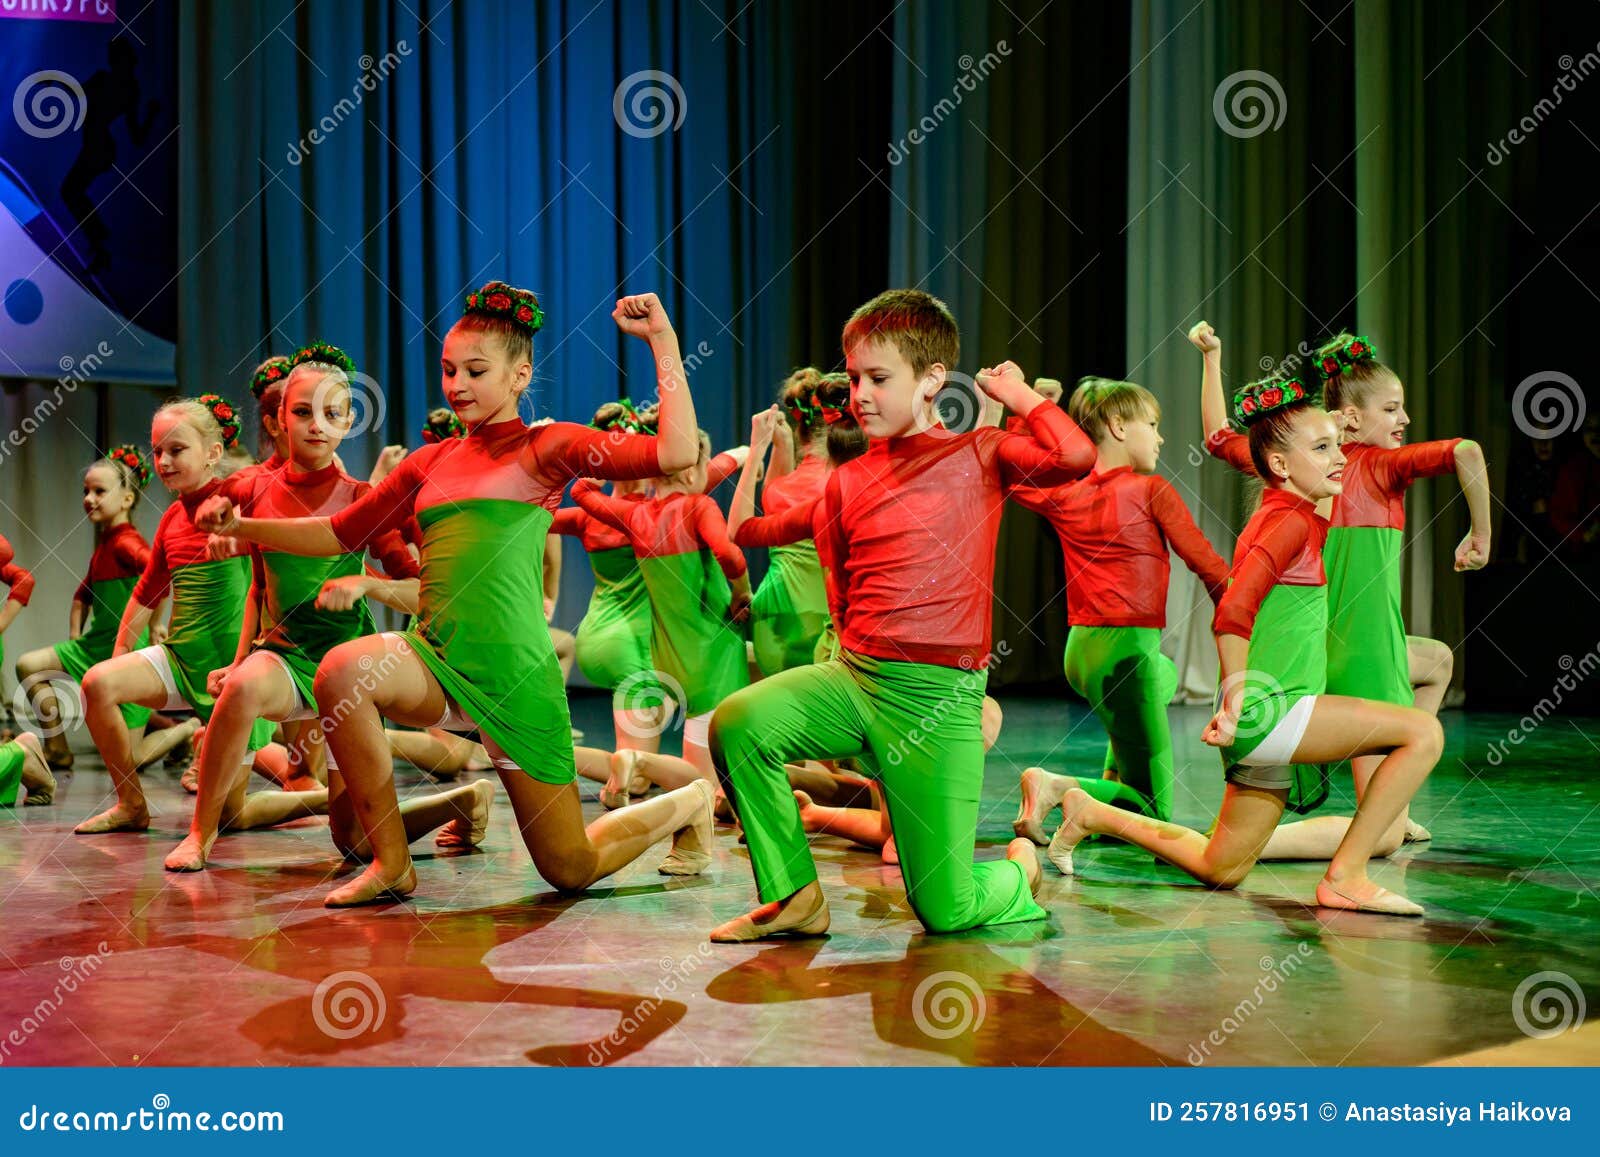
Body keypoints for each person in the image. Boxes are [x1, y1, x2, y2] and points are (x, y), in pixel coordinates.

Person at [199, 282, 716, 906]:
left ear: (520, 374)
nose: (457, 384)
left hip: (513, 676)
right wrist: (243, 527)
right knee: (341, 669)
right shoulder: (429, 462)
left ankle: (685, 803)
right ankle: (392, 864)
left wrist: (662, 339)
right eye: (448, 370)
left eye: (475, 370)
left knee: (569, 867)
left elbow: (677, 450)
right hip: (435, 658)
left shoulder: (546, 448)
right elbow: (338, 531)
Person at [708, 287, 1096, 941]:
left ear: (932, 381)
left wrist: (1022, 396)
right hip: (855, 679)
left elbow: (1075, 457)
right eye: (855, 376)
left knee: (945, 911)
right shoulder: (847, 478)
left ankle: (1019, 868)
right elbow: (769, 541)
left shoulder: (981, 452)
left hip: (936, 700)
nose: (859, 393)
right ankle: (796, 897)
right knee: (739, 724)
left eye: (878, 378)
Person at [1049, 374, 1444, 916]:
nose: (1340, 458)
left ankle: (1092, 812)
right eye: (1324, 447)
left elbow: (1262, 456)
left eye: (1339, 444)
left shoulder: (1301, 512)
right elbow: (1233, 611)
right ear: (1281, 466)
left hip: (1266, 718)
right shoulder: (1285, 522)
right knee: (1421, 731)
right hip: (1272, 710)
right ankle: (1347, 877)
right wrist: (1236, 698)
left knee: (1222, 866)